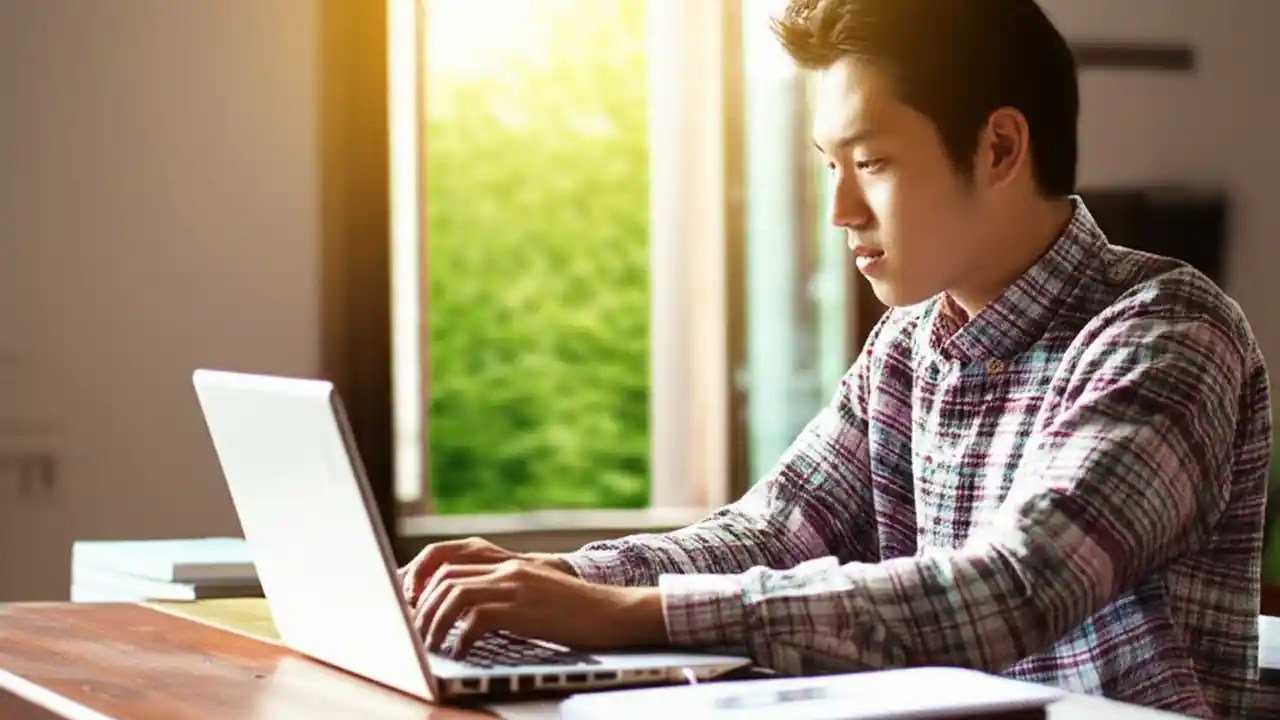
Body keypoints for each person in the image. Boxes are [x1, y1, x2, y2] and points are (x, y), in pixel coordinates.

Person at [399, 1, 1271, 716]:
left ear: (1001, 148)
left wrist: (631, 613)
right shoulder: (909, 343)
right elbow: (775, 531)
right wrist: (550, 579)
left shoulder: (1167, 332)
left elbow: (1020, 585)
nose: (840, 210)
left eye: (873, 162)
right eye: (830, 166)